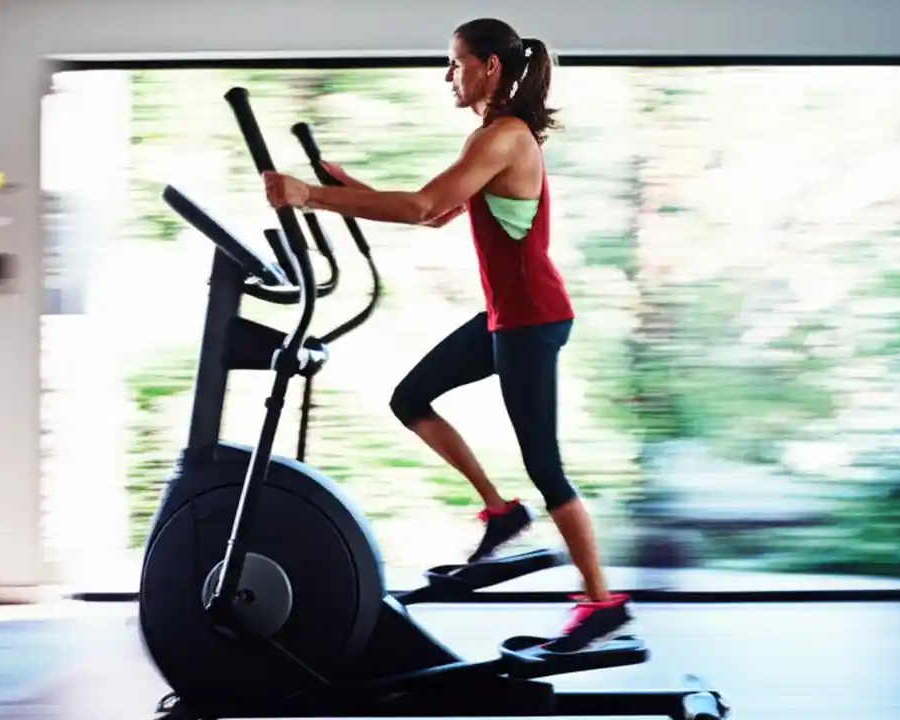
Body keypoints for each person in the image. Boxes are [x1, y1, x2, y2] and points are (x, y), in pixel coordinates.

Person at [262, 17, 630, 652]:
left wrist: (309, 194)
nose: (447, 75)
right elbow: (436, 216)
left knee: (546, 467)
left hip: (531, 320)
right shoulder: (490, 137)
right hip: (505, 316)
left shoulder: (506, 137)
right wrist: (352, 190)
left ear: (489, 66)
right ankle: (501, 512)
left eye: (456, 62)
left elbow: (423, 207)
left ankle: (600, 603)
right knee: (410, 398)